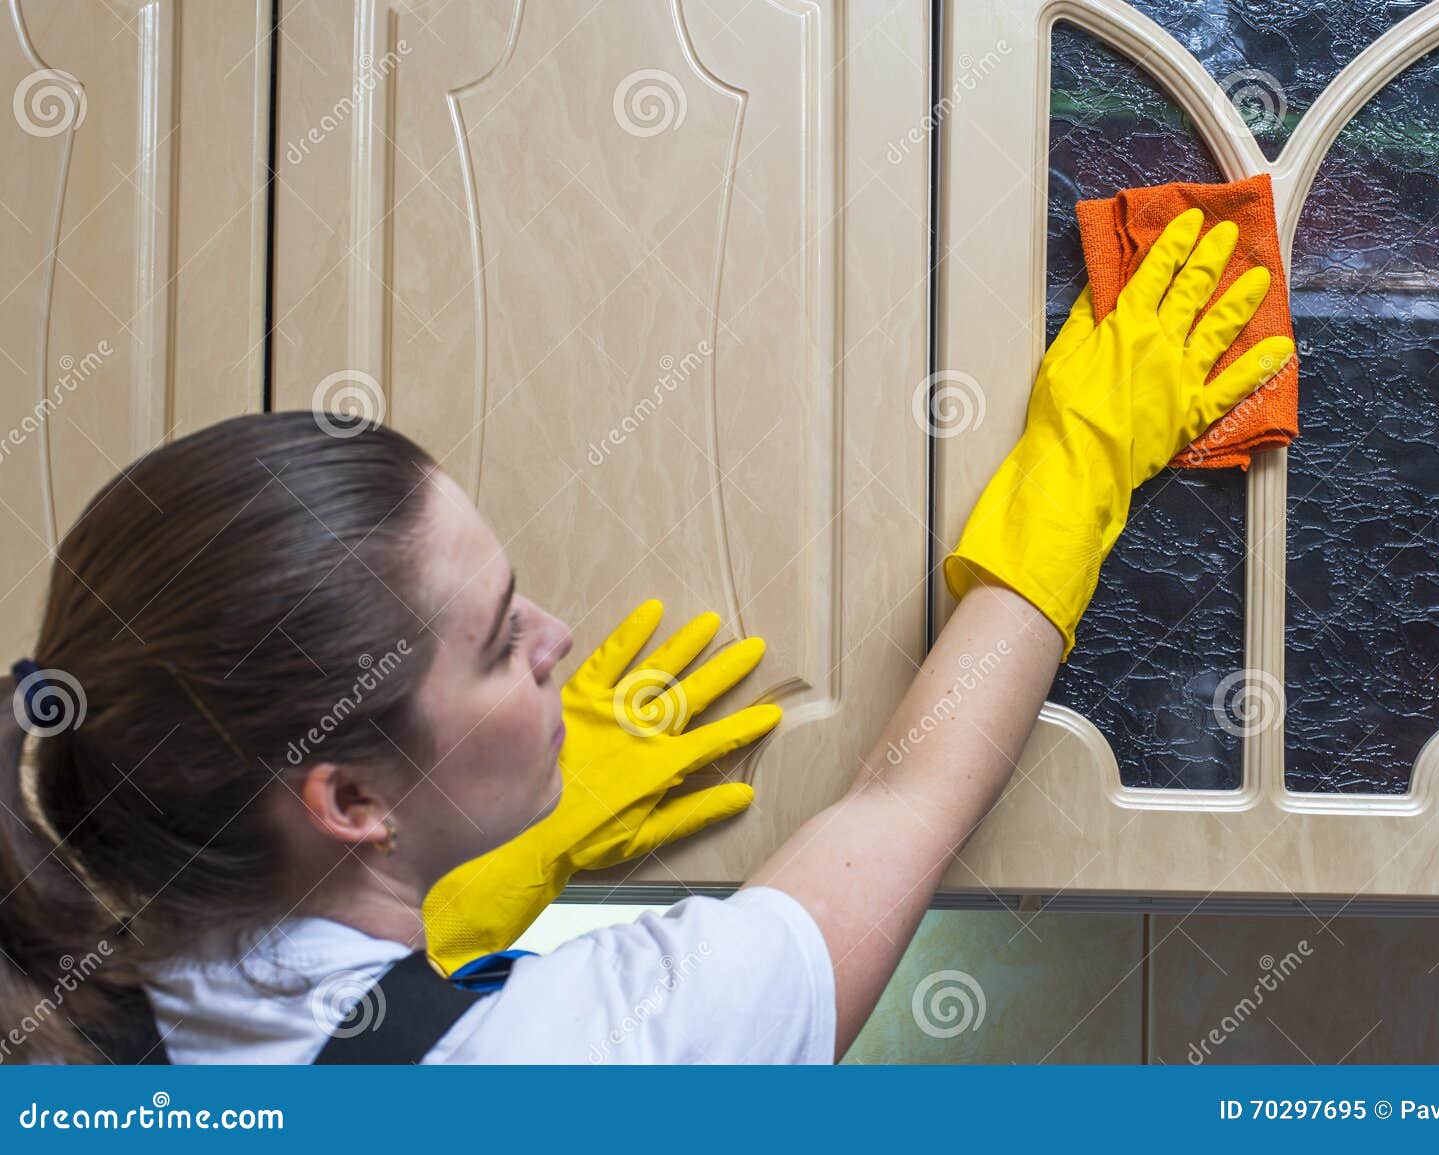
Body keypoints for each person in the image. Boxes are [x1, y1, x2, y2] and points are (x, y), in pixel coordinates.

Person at [0, 210, 1290, 1063]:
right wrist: (1084, 460)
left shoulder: (70, 1033)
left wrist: (447, 885)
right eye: (501, 640)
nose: (558, 636)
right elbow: (906, 802)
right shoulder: (587, 1052)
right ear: (347, 800)